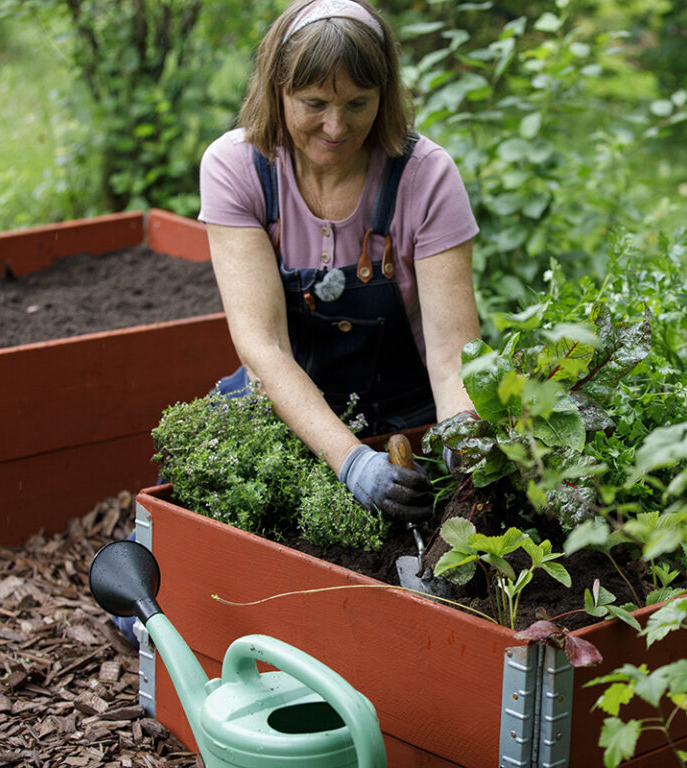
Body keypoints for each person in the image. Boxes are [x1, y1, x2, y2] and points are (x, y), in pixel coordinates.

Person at [198, 0, 480, 524]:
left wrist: (462, 436)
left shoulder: (426, 176)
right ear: (276, 91)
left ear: (384, 96)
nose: (335, 126)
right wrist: (352, 463)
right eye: (313, 103)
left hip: (407, 408)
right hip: (283, 401)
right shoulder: (237, 169)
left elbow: (451, 354)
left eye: (358, 103)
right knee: (191, 517)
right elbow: (264, 346)